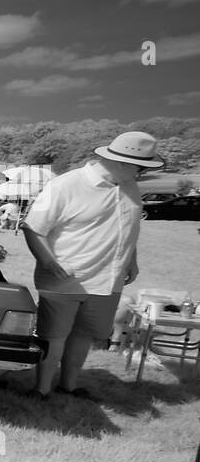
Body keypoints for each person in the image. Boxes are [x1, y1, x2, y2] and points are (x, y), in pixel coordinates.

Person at [21, 131, 162, 400]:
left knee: (84, 335)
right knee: (54, 336)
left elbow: (128, 229)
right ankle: (41, 390)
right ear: (121, 162)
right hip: (66, 278)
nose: (142, 173)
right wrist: (50, 262)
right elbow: (34, 227)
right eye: (140, 167)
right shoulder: (64, 185)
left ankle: (69, 386)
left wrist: (132, 259)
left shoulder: (130, 187)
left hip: (109, 280)